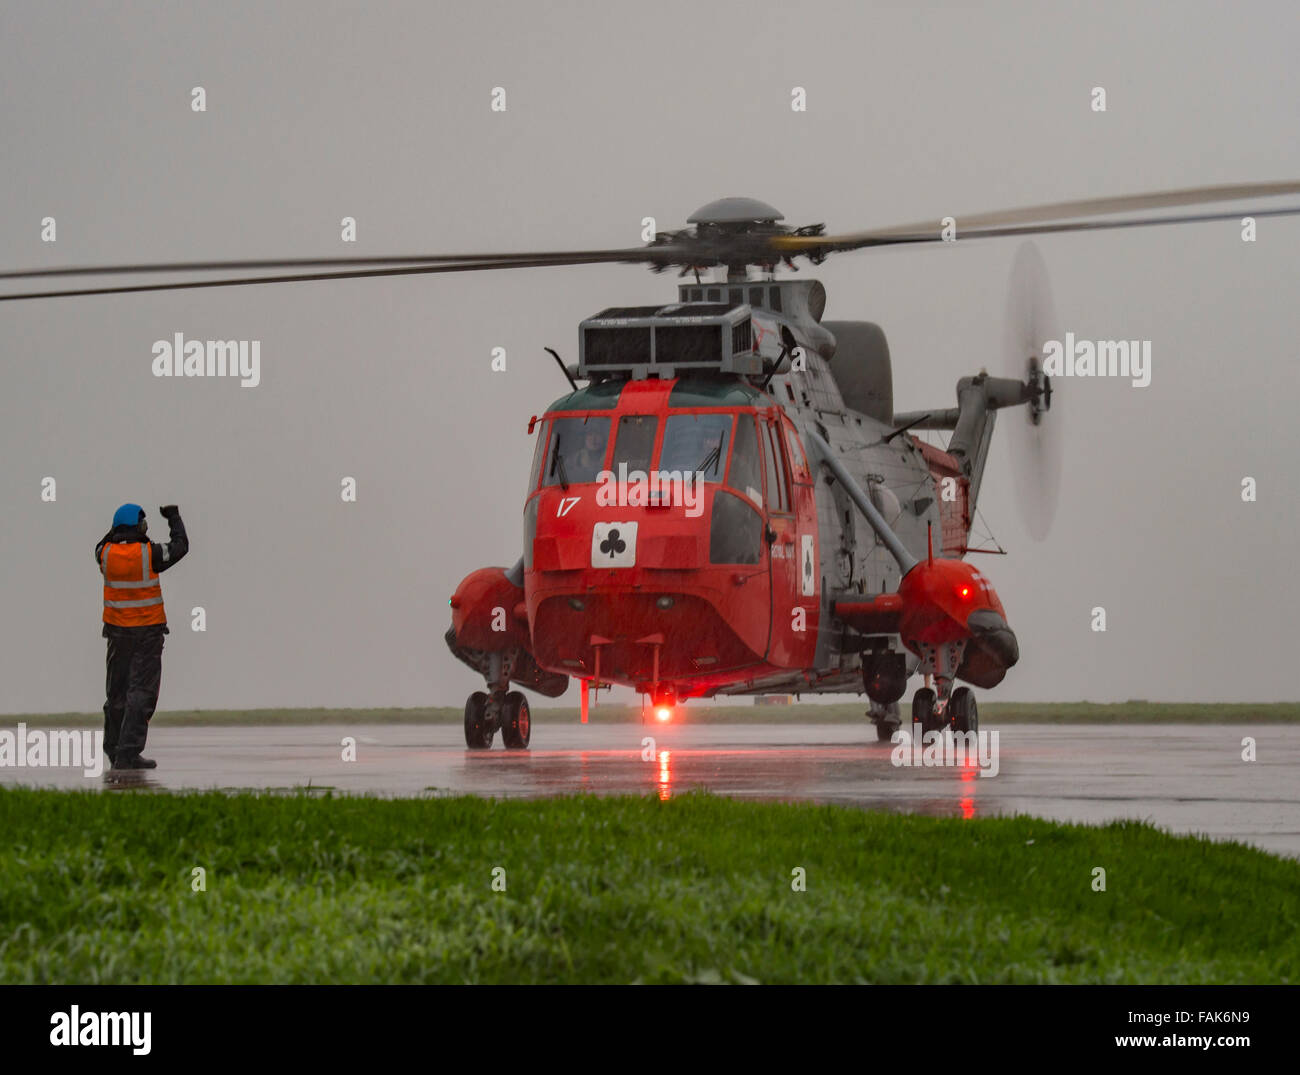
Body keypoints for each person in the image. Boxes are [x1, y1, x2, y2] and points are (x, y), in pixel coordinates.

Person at [94, 504, 189, 770]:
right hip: (147, 633)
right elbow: (181, 545)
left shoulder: (105, 554)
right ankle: (129, 753)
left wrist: (116, 530)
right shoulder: (150, 554)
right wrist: (174, 517)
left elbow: (103, 542)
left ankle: (113, 750)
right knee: (141, 693)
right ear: (140, 527)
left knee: (117, 694)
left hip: (116, 634)